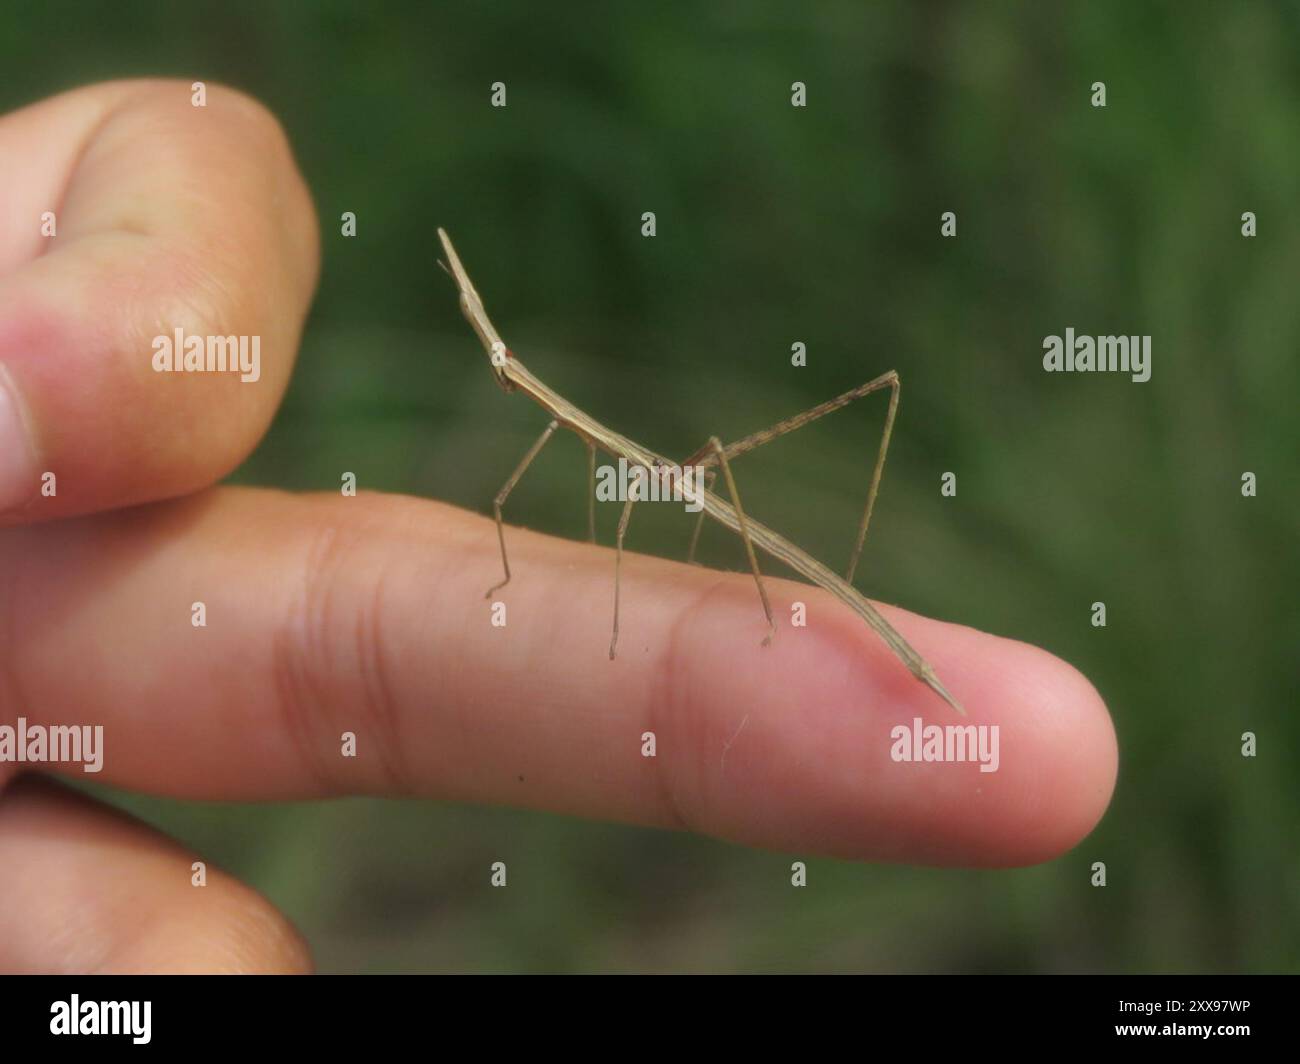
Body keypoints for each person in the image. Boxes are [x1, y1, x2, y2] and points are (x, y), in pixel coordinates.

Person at [0, 81, 1117, 973]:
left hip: (713, 505)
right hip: (682, 504)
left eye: (495, 358)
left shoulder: (574, 440)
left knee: (775, 451)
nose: (495, 365)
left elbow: (565, 506)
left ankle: (876, 623)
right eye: (492, 357)